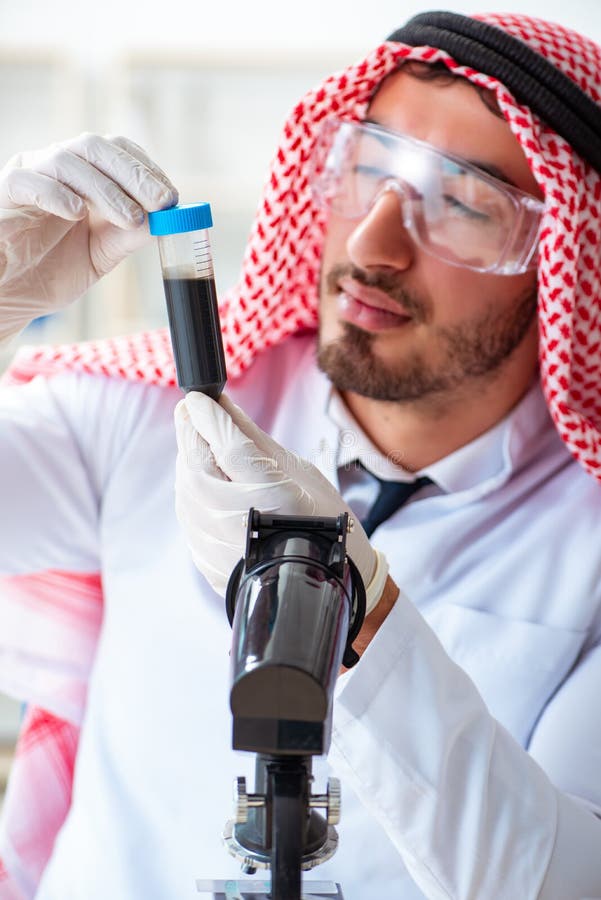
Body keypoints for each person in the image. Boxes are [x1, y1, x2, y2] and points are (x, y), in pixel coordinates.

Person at [0, 9, 600, 899]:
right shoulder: (152, 408)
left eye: (466, 205)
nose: (370, 245)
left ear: (564, 257)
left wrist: (358, 611)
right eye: (365, 172)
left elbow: (563, 876)